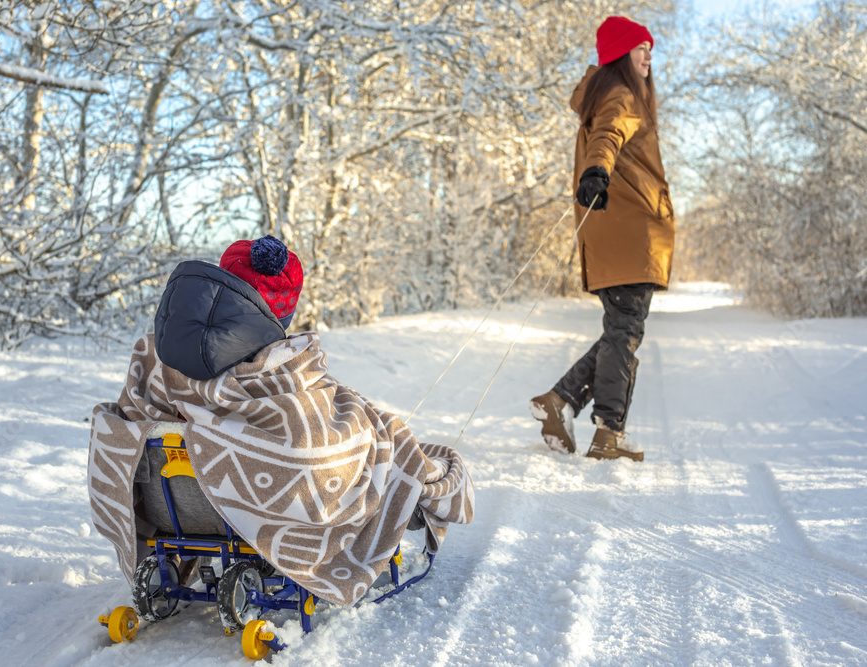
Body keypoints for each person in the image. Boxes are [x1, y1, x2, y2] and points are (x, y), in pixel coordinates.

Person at [88, 235, 474, 606]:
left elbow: (133, 412)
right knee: (376, 438)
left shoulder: (154, 360)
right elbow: (318, 443)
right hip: (262, 506)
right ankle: (407, 499)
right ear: (281, 310)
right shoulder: (286, 372)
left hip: (174, 506)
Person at [529, 16, 675, 462]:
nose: (648, 57)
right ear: (619, 56)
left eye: (650, 49)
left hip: (616, 230)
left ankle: (560, 402)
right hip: (632, 231)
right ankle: (609, 432)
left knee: (620, 332)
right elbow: (609, 136)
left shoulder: (608, 95)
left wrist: (599, 171)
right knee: (624, 334)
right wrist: (598, 170)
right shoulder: (622, 96)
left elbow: (608, 136)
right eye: (639, 50)